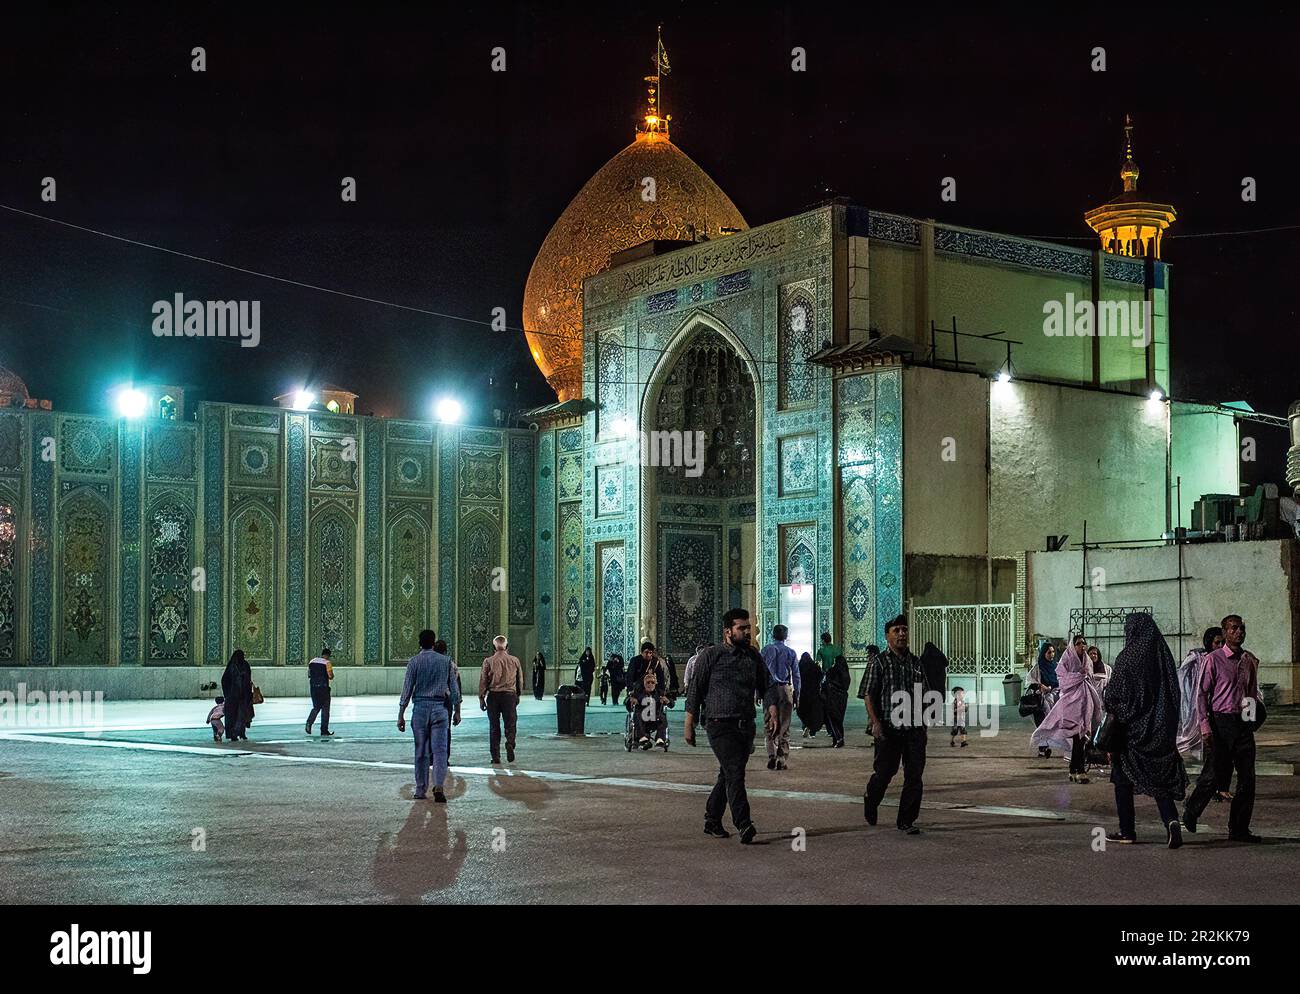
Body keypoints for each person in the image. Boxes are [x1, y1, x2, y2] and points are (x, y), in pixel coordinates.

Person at [684, 608, 776, 845]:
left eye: (748, 627)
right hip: (719, 724)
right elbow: (695, 690)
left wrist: (772, 709)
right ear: (728, 631)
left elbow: (768, 686)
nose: (747, 632)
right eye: (741, 628)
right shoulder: (711, 656)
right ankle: (744, 823)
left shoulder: (753, 657)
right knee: (735, 772)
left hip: (745, 727)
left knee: (728, 774)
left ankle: (712, 819)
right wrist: (689, 723)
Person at [1101, 612, 1188, 848]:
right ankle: (1171, 821)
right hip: (1159, 731)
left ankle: (1127, 830)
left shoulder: (1126, 659)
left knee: (1122, 781)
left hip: (1130, 733)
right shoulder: (1163, 658)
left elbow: (1115, 697)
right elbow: (1174, 692)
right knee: (1158, 778)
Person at [1182, 615, 1262, 843]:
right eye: (1234, 628)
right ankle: (1192, 810)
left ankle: (1238, 829)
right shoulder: (1214, 660)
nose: (1239, 632)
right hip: (1220, 723)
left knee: (1247, 779)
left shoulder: (1248, 661)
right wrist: (1205, 727)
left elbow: (1251, 693)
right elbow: (1201, 694)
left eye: (1242, 628)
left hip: (1242, 724)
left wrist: (1250, 722)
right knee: (1216, 774)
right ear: (1225, 632)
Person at [862, 616, 929, 834]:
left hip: (914, 729)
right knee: (885, 772)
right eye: (896, 630)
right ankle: (871, 799)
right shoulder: (879, 662)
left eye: (904, 630)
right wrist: (875, 723)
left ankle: (906, 820)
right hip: (889, 729)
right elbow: (868, 694)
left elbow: (925, 693)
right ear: (887, 635)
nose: (901, 634)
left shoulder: (916, 663)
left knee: (914, 775)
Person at [1030, 634, 1102, 783]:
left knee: (1081, 739)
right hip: (1071, 704)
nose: (1082, 645)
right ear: (1072, 645)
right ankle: (1080, 771)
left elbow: (1090, 678)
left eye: (1083, 643)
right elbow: (1063, 681)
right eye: (1078, 643)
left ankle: (1073, 770)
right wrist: (1079, 677)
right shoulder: (1066, 660)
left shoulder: (1087, 660)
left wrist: (1084, 679)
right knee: (1078, 737)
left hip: (1085, 703)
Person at [397, 630, 459, 802]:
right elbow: (454, 690)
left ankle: (420, 789)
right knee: (440, 751)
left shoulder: (414, 662)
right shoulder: (445, 661)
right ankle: (438, 786)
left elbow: (407, 689)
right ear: (433, 643)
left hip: (420, 710)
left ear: (419, 643)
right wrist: (457, 711)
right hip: (440, 709)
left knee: (421, 751)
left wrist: (401, 714)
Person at [1176, 627, 1224, 761]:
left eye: (1223, 643)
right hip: (1202, 706)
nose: (1220, 646)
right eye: (1217, 643)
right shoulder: (1199, 660)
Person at [759, 624, 800, 770]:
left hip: (769, 690)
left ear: (772, 635)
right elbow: (796, 675)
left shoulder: (765, 650)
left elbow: (760, 673)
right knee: (784, 725)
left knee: (768, 724)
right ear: (786, 636)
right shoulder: (790, 652)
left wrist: (758, 692)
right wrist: (797, 695)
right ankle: (782, 758)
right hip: (784, 689)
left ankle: (771, 755)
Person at [479, 634, 524, 764]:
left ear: (494, 647)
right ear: (507, 647)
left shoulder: (488, 661)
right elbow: (519, 680)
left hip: (493, 696)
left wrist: (482, 697)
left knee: (494, 726)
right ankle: (510, 742)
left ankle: (496, 756)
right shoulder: (514, 660)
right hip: (509, 696)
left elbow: (483, 680)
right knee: (510, 723)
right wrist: (518, 694)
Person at [1028, 641, 1059, 757]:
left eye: (1053, 652)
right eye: (1049, 652)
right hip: (1042, 700)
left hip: (1055, 698)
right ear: (1043, 653)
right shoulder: (1038, 667)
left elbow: (1060, 680)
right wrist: (1040, 686)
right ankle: (1043, 747)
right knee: (1043, 723)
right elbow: (1030, 681)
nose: (1051, 654)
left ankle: (1045, 747)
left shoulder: (1056, 666)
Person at [435, 640, 462, 761]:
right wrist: (458, 711)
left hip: (429, 701)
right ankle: (444, 758)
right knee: (445, 729)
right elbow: (456, 689)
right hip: (446, 701)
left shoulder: (425, 663)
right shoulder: (451, 665)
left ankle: (431, 757)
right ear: (446, 651)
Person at [628, 669, 669, 748]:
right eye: (648, 682)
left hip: (655, 717)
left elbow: (671, 703)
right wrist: (632, 700)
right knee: (637, 715)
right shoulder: (637, 692)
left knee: (662, 717)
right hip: (642, 717)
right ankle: (642, 737)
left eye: (652, 682)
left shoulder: (660, 693)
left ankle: (660, 738)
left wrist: (667, 701)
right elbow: (627, 702)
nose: (650, 684)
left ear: (655, 684)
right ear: (644, 683)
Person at [220, 649, 254, 741]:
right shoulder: (232, 666)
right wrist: (227, 693)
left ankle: (241, 733)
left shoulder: (245, 665)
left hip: (243, 695)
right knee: (232, 716)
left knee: (242, 715)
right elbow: (225, 680)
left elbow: (248, 678)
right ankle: (233, 734)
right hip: (232, 696)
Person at [821, 652, 850, 748]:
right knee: (839, 719)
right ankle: (838, 738)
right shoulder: (846, 673)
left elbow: (824, 684)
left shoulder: (831, 671)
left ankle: (838, 738)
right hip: (843, 698)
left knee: (832, 718)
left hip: (832, 698)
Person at [305, 646, 335, 737]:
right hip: (323, 688)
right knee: (325, 709)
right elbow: (330, 676)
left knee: (316, 707)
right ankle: (324, 730)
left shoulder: (312, 661)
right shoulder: (327, 663)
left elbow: (309, 674)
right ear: (328, 656)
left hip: (313, 687)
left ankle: (309, 722)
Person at [795, 651, 825, 738]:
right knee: (813, 712)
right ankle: (812, 731)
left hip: (803, 693)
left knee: (803, 711)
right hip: (814, 693)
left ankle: (805, 725)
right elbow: (820, 676)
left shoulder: (800, 666)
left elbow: (796, 678)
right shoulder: (815, 667)